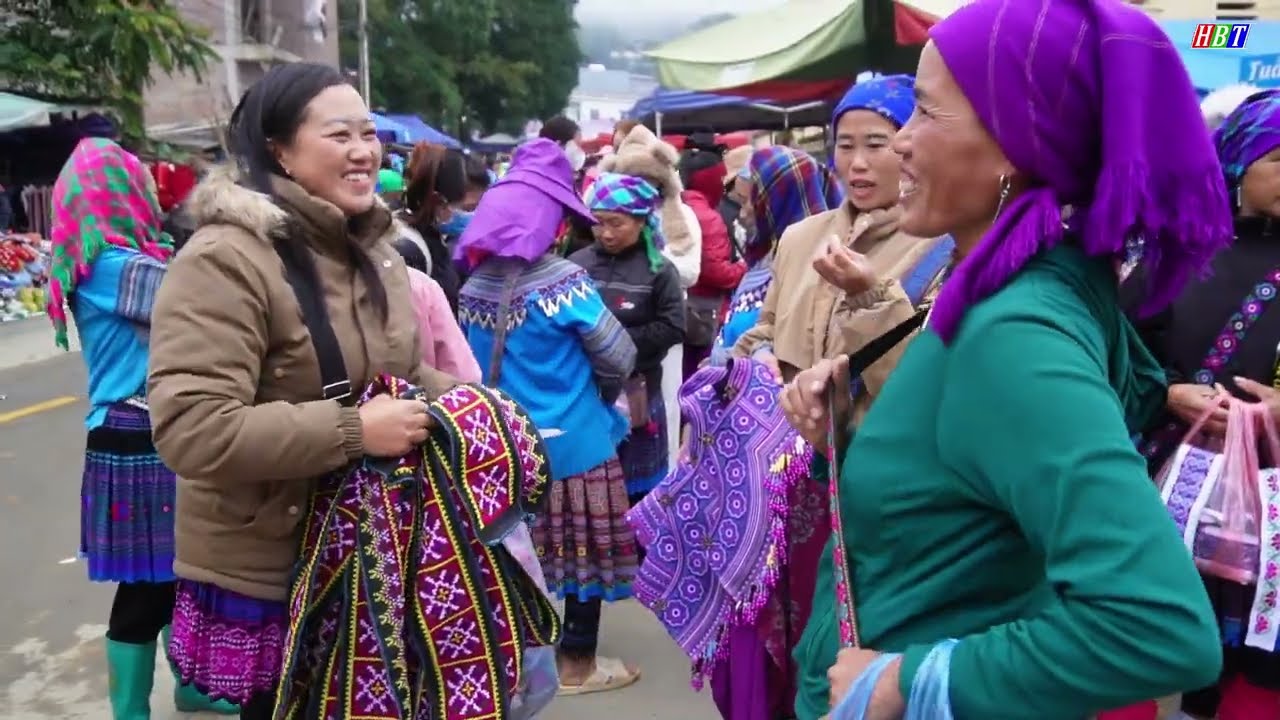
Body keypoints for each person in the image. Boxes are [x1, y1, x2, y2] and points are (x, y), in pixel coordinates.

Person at [785, 1, 1229, 717]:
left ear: (1015, 145)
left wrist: (908, 683)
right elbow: (972, 493)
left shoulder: (1015, 329)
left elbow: (1158, 628)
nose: (899, 144)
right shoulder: (1019, 280)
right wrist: (847, 430)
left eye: (924, 112)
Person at [146, 62, 458, 720]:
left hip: (376, 549)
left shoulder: (375, 252)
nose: (363, 150)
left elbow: (400, 373)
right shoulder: (225, 259)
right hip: (275, 566)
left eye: (370, 133)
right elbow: (192, 429)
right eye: (339, 133)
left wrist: (479, 410)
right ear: (278, 150)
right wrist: (354, 431)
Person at [47, 137, 236, 718]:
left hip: (150, 431)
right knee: (147, 585)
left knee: (180, 571)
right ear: (119, 195)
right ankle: (130, 709)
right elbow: (192, 296)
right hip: (135, 435)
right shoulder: (110, 266)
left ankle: (188, 683)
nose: (152, 195)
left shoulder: (132, 258)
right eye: (141, 185)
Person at [454, 138, 642, 695]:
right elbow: (619, 354)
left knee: (517, 557)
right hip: (577, 445)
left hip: (505, 450)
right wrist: (599, 391)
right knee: (583, 558)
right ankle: (576, 665)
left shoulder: (473, 285)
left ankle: (516, 666)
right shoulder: (564, 280)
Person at [1133, 89, 1280, 720]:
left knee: (1261, 653)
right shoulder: (1178, 253)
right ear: (1240, 160)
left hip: (1271, 507)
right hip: (1169, 485)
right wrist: (1167, 391)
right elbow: (1119, 354)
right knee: (1140, 631)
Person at [572, 172, 687, 505]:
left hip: (637, 393)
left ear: (642, 222)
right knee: (592, 486)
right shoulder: (576, 265)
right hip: (587, 393)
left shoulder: (660, 271)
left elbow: (672, 327)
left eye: (616, 224)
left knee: (635, 492)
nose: (605, 233)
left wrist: (611, 342)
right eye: (598, 223)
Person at [679, 145, 746, 377]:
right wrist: (747, 267)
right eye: (720, 178)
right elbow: (719, 273)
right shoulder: (708, 217)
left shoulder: (678, 206)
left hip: (683, 308)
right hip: (705, 311)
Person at [398, 141, 471, 313]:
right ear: (438, 201)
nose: (462, 215)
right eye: (458, 208)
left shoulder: (434, 238)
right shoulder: (409, 250)